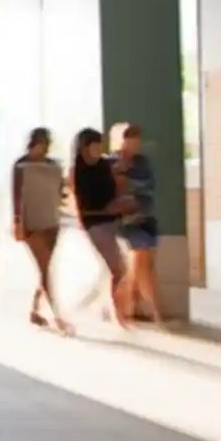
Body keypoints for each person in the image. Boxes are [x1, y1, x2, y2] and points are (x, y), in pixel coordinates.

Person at [12, 128, 73, 335]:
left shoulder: (53, 166)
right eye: (40, 143)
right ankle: (57, 316)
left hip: (52, 221)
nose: (43, 147)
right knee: (45, 269)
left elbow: (61, 191)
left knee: (44, 268)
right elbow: (16, 197)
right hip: (32, 223)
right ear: (32, 143)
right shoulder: (21, 166)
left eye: (46, 143)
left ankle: (35, 311)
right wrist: (18, 222)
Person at [71, 127, 133, 328]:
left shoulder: (106, 165)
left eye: (99, 144)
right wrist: (108, 209)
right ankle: (117, 314)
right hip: (95, 223)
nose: (98, 148)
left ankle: (105, 306)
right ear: (84, 147)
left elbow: (116, 188)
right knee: (118, 269)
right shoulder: (78, 171)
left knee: (116, 268)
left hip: (112, 220)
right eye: (94, 145)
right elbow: (83, 207)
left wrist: (121, 202)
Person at [112, 123, 163, 325]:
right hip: (124, 221)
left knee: (144, 263)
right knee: (139, 260)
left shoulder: (143, 163)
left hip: (145, 218)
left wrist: (128, 182)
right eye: (128, 138)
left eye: (136, 138)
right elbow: (112, 189)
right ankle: (154, 311)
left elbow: (148, 187)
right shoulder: (111, 162)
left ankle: (129, 307)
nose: (133, 143)